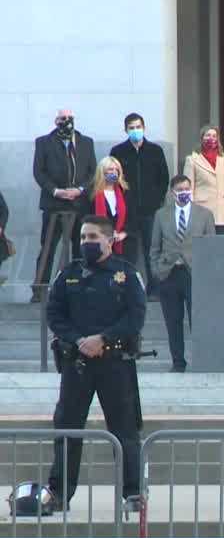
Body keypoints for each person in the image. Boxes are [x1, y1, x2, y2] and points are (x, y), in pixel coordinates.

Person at [46, 215, 146, 511]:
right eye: (82, 237)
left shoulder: (127, 275)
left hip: (115, 363)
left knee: (125, 430)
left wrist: (103, 338)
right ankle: (59, 493)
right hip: (77, 363)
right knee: (67, 427)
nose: (86, 243)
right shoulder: (68, 274)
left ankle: (133, 493)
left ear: (109, 240)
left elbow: (135, 317)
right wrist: (79, 340)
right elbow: (55, 315)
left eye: (92, 237)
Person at [150, 175, 216, 372]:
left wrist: (207, 274)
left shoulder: (204, 214)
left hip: (194, 274)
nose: (184, 193)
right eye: (180, 190)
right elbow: (154, 247)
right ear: (173, 193)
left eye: (187, 189)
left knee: (199, 321)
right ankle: (178, 362)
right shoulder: (161, 215)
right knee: (173, 322)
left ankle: (202, 360)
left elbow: (211, 247)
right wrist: (156, 270)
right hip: (169, 273)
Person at [32, 109, 97, 302]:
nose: (67, 121)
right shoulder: (43, 142)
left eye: (70, 118)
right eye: (62, 118)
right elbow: (39, 172)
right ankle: (40, 291)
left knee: (80, 248)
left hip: (80, 204)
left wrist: (80, 189)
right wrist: (55, 191)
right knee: (48, 248)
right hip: (54, 205)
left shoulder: (86, 142)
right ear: (56, 121)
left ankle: (78, 287)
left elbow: (92, 171)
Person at [110, 113, 169, 294]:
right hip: (127, 212)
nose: (135, 130)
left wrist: (156, 201)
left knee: (152, 249)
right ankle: (127, 288)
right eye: (131, 128)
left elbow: (164, 179)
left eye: (138, 127)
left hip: (150, 211)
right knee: (128, 252)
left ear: (144, 128)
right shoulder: (118, 152)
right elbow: (113, 179)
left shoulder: (155, 151)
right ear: (126, 130)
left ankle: (155, 288)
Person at [183, 125, 224, 235]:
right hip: (201, 211)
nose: (211, 138)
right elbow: (188, 189)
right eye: (208, 135)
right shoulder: (192, 160)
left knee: (221, 244)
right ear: (201, 138)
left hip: (222, 213)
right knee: (204, 244)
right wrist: (188, 213)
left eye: (214, 136)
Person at [82, 157, 130, 260]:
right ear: (102, 172)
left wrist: (123, 233)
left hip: (120, 245)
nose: (114, 172)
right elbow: (86, 218)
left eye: (117, 170)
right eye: (110, 169)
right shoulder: (91, 193)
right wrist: (107, 233)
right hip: (96, 244)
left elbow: (132, 218)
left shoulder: (125, 192)